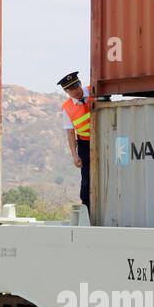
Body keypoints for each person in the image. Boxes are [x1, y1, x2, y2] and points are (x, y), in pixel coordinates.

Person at [59, 71, 95, 210]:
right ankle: (86, 207)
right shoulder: (67, 108)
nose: (77, 91)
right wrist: (75, 155)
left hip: (103, 137)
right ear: (66, 91)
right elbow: (70, 133)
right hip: (85, 143)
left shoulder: (93, 90)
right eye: (72, 89)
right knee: (86, 178)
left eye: (77, 86)